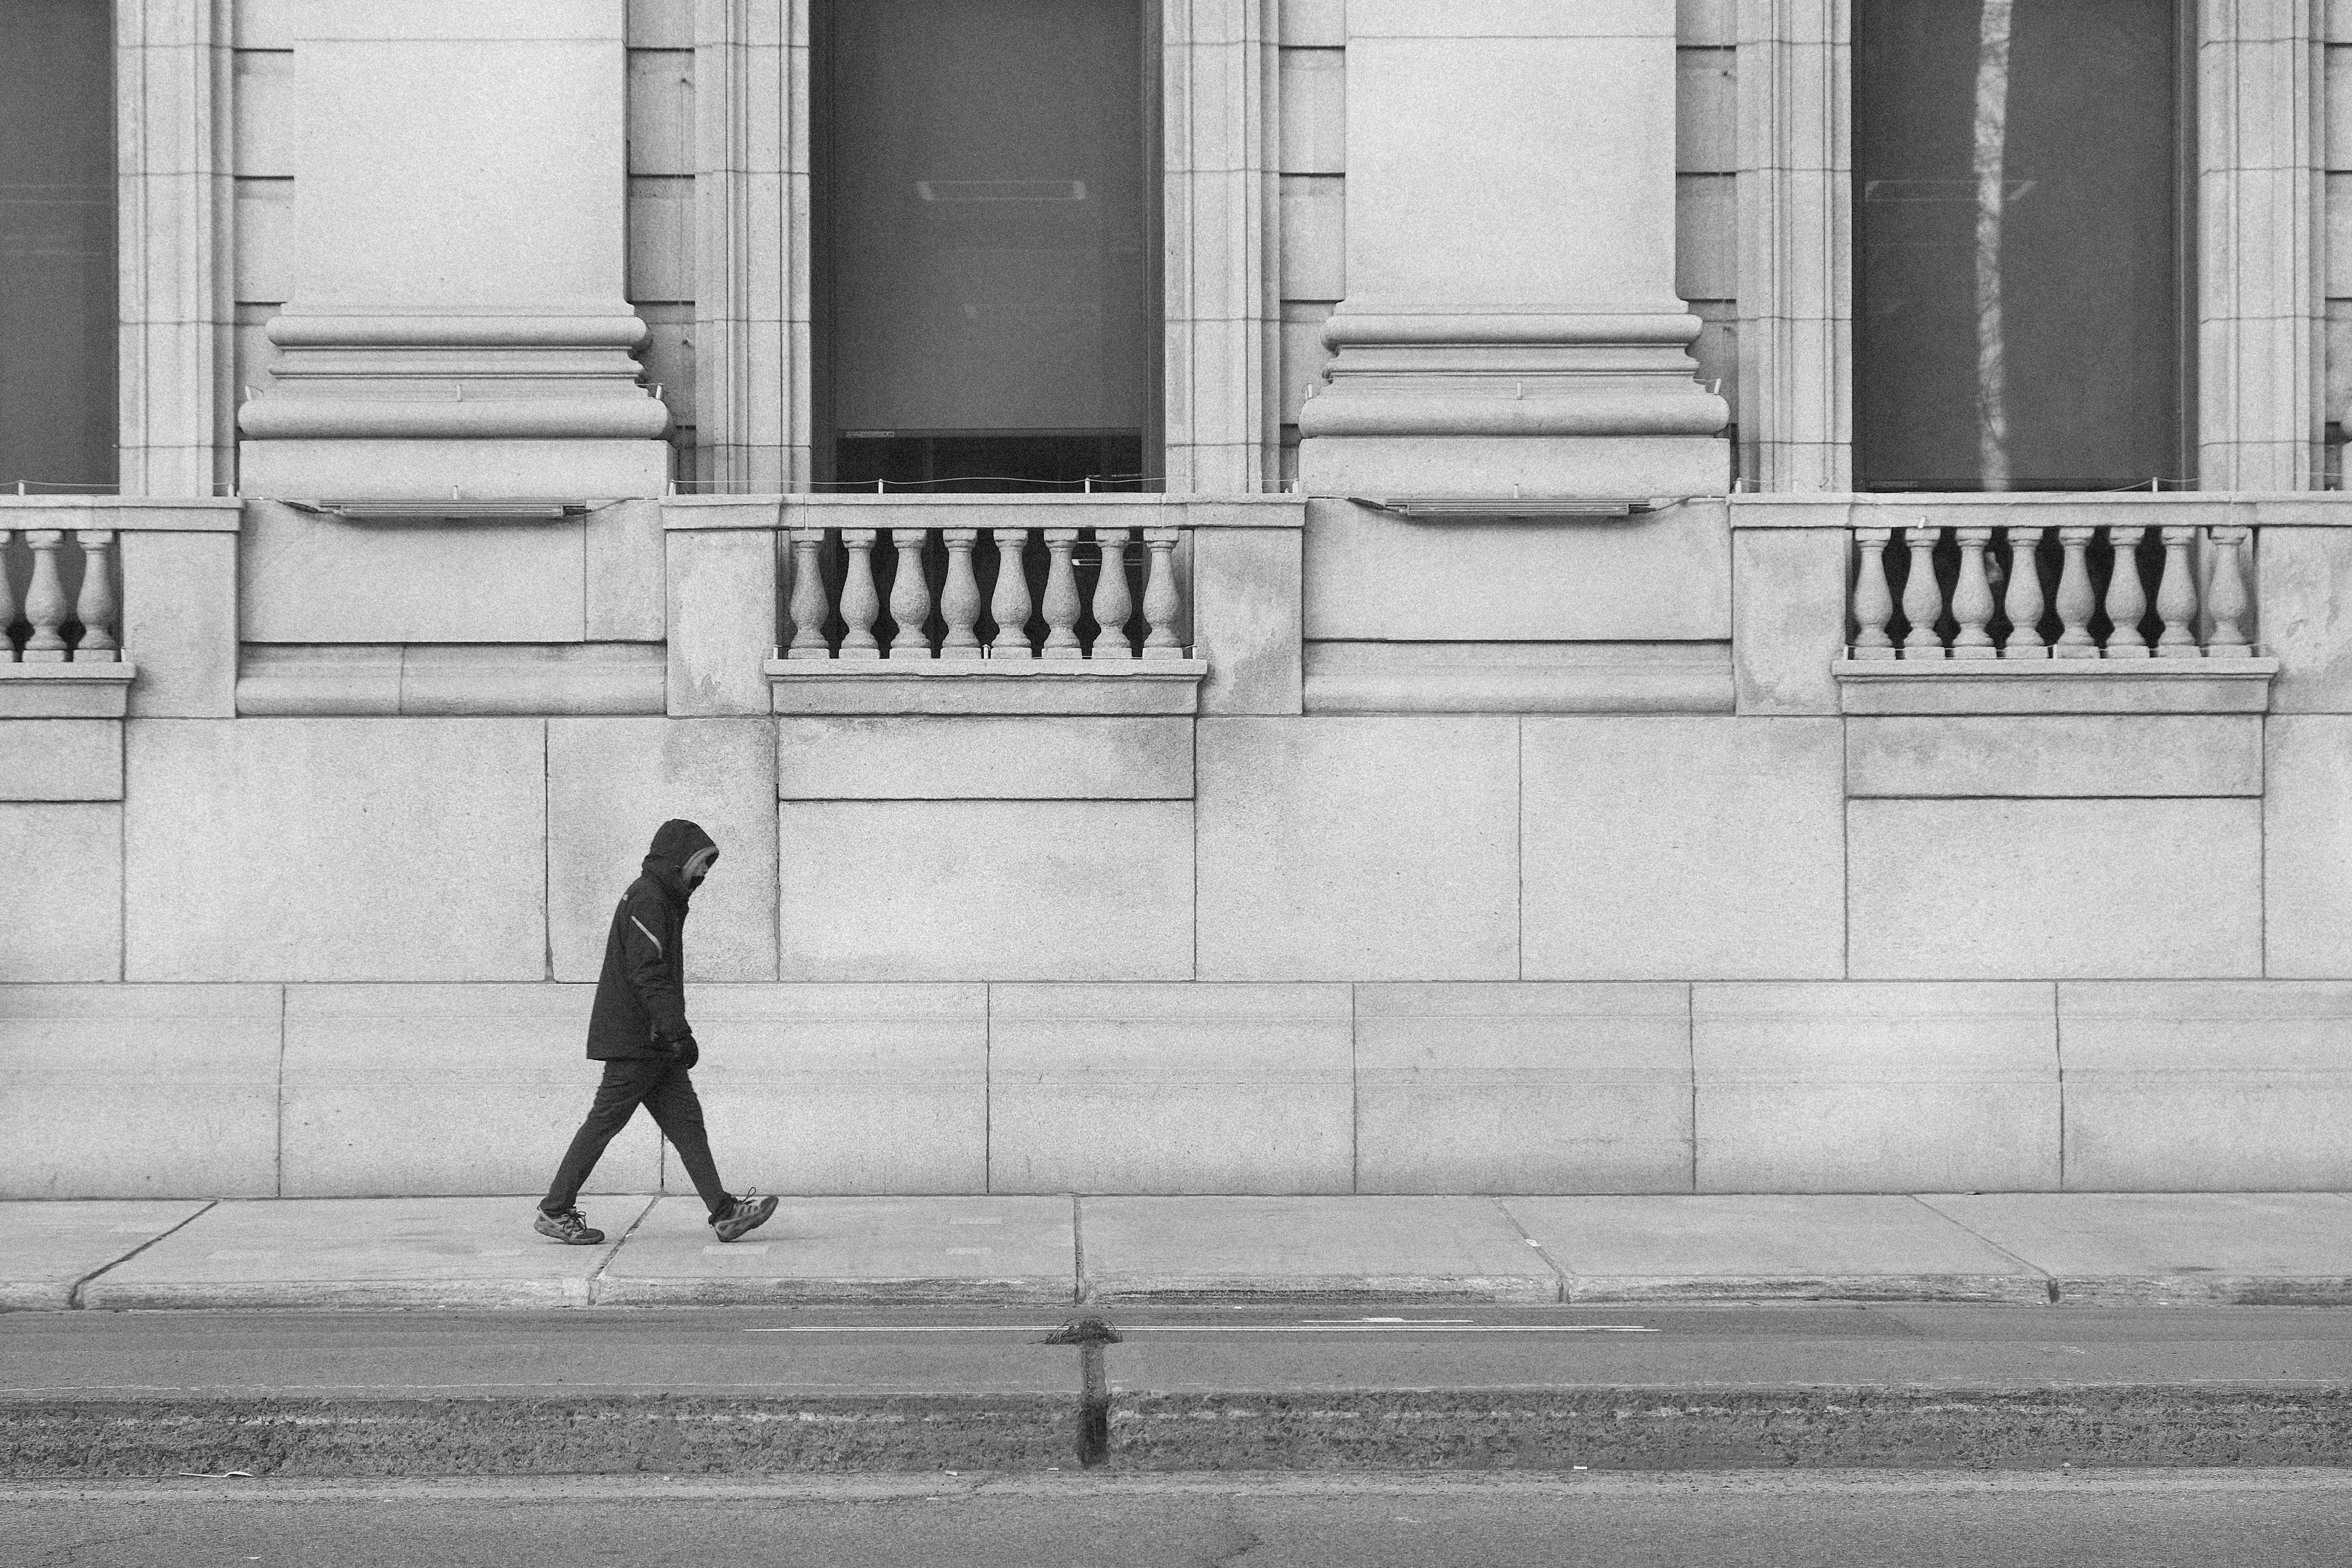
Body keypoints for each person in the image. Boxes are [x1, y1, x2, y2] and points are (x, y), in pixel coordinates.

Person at [535, 818, 778, 1246]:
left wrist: (672, 1035)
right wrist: (678, 1031)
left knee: (687, 1125)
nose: (704, 874)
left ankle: (724, 1213)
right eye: (701, 863)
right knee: (603, 1124)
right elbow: (648, 974)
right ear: (679, 858)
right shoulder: (648, 898)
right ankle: (555, 1210)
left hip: (654, 1042)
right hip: (637, 1041)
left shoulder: (661, 899)